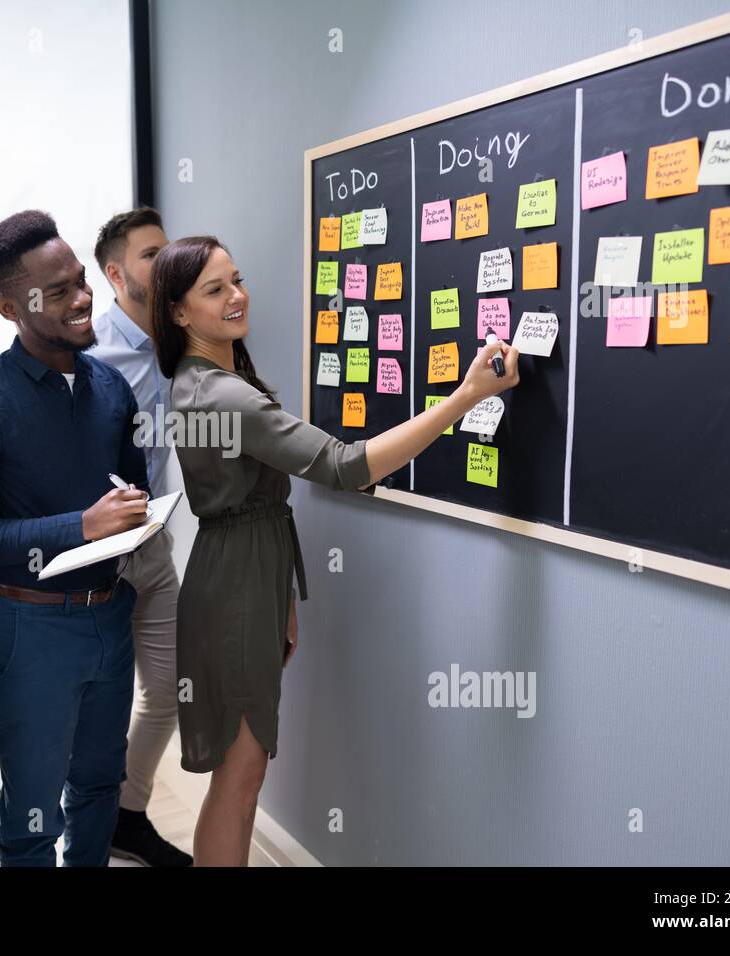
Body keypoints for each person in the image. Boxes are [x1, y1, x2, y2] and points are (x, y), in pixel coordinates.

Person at [150, 235, 520, 866]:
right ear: (179, 312)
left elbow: (255, 506)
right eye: (214, 289)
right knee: (240, 784)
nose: (236, 296)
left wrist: (282, 599)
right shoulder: (223, 395)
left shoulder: (204, 378)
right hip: (235, 589)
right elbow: (345, 467)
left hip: (241, 579)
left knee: (240, 778)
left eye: (236, 279)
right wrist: (462, 400)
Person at [0, 210, 147, 866]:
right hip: (29, 632)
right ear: (9, 308)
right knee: (33, 814)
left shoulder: (111, 387)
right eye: (58, 293)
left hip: (110, 617)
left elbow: (130, 495)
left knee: (99, 787)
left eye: (82, 281)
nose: (84, 299)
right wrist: (81, 526)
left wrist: (141, 515)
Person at [89, 207, 190, 866]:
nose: (167, 261)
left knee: (171, 687)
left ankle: (128, 815)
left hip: (155, 542)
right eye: (152, 254)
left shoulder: (182, 338)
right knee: (96, 706)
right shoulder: (87, 354)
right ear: (116, 272)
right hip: (98, 557)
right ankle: (87, 830)